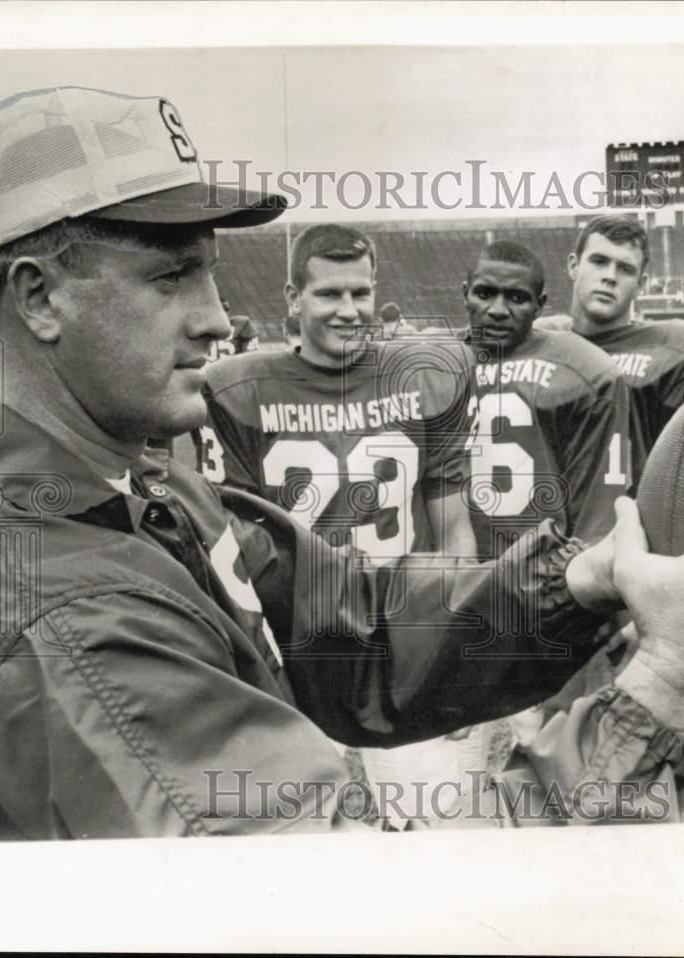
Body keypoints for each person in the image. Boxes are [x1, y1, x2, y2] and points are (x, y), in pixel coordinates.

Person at [0, 86, 684, 839]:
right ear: (40, 297)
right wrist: (670, 689)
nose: (217, 316)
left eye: (213, 271)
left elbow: (358, 634)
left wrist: (590, 581)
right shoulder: (61, 614)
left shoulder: (134, 474)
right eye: (170, 275)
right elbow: (357, 913)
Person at [201, 223, 483, 828]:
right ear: (292, 298)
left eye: (361, 293)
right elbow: (231, 544)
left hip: (396, 632)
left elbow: (454, 526)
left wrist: (453, 645)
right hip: (294, 639)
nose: (349, 310)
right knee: (285, 831)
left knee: (431, 826)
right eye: (329, 294)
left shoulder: (424, 375)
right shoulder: (238, 387)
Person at [461, 241, 630, 748]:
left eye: (515, 297)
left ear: (540, 303)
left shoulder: (584, 370)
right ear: (464, 294)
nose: (497, 308)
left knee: (551, 763)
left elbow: (603, 500)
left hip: (544, 594)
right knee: (445, 774)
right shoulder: (438, 366)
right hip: (461, 590)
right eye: (485, 293)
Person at [535, 215, 684, 491]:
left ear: (641, 284)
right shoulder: (542, 344)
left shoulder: (679, 349)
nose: (610, 277)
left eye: (625, 269)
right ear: (573, 266)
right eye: (599, 261)